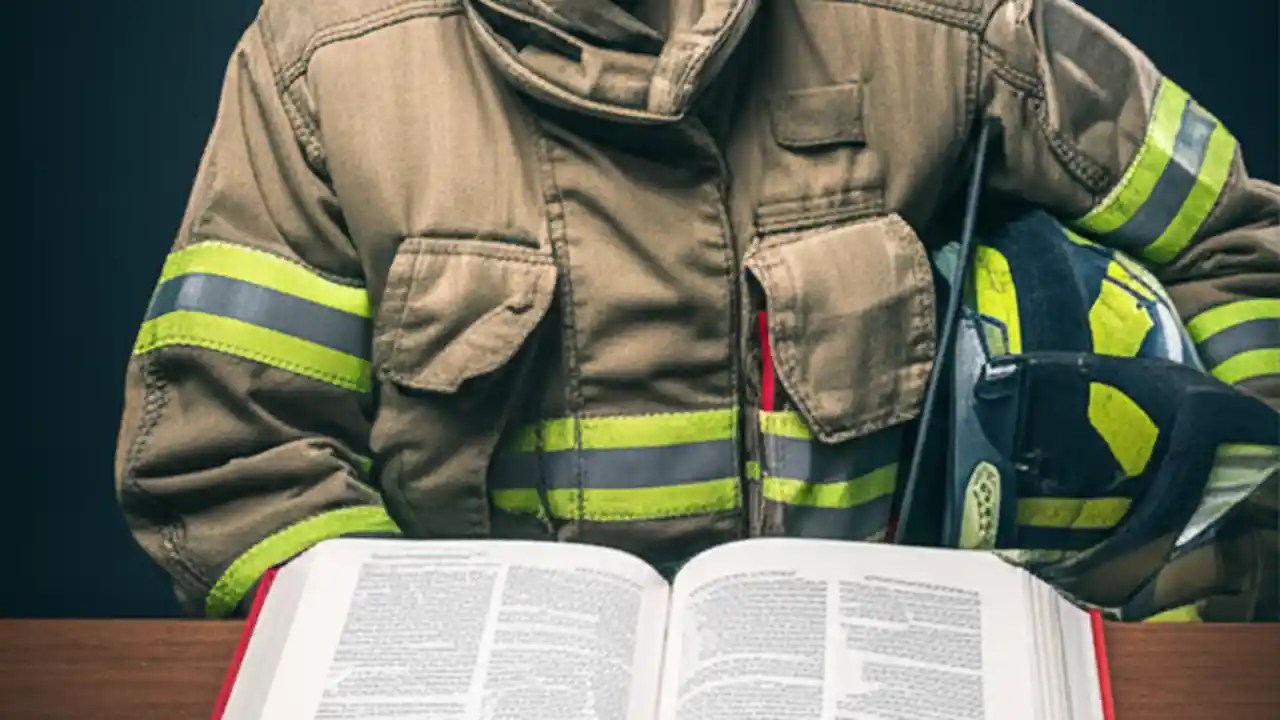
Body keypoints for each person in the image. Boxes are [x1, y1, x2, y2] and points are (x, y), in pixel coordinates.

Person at [116, 0, 1278, 619]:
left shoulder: (954, 23)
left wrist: (1212, 546)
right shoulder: (323, 58)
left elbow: (1241, 247)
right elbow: (233, 465)